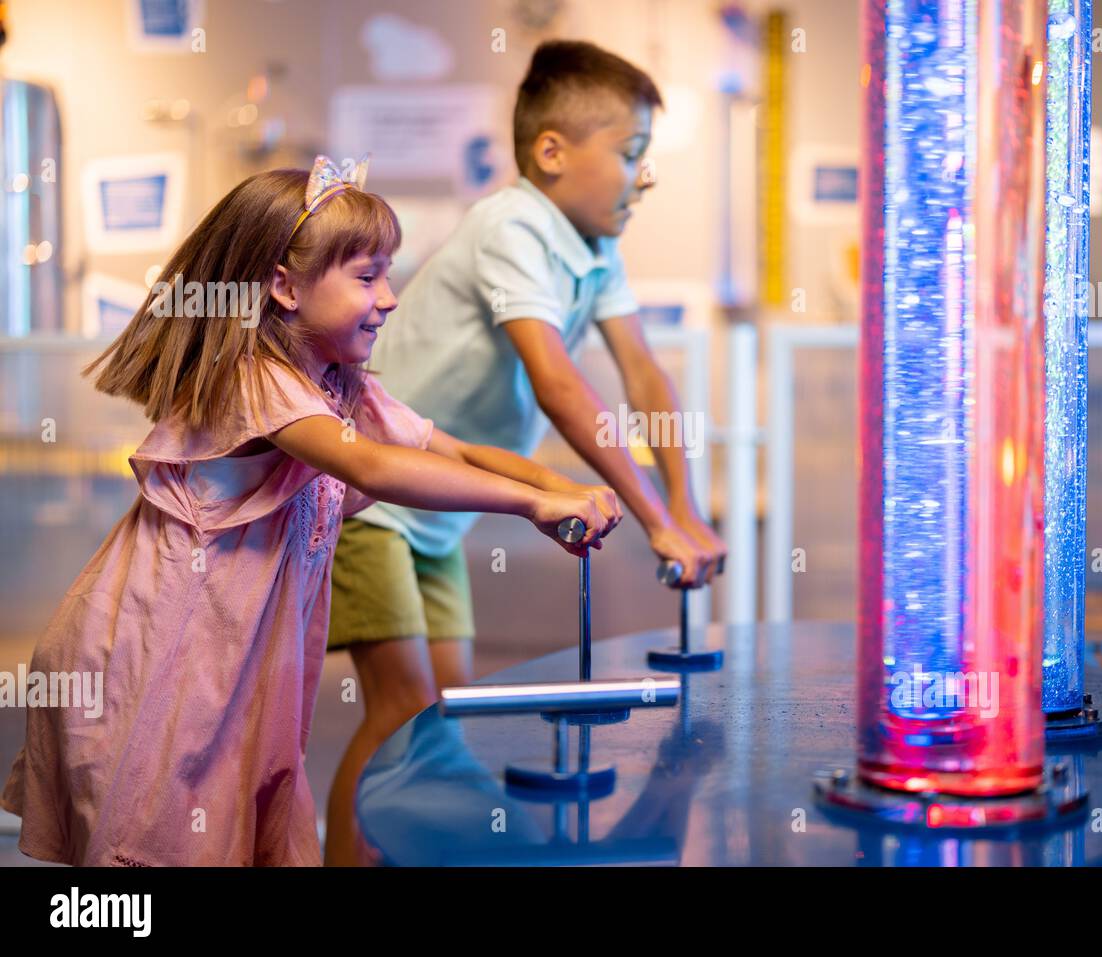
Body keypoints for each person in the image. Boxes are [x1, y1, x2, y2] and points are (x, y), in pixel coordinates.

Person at [0, 157, 618, 867]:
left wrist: (559, 484)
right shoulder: (255, 379)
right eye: (366, 276)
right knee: (159, 839)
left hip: (241, 658)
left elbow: (452, 449)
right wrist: (534, 503)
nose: (389, 297)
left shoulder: (341, 385)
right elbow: (372, 465)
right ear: (284, 287)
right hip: (164, 650)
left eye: (388, 272)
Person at [325, 40, 727, 865]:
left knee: (438, 720)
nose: (643, 177)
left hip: (438, 512)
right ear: (552, 152)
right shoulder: (512, 223)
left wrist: (684, 505)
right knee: (403, 712)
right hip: (374, 495)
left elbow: (644, 373)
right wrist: (655, 522)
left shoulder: (594, 247)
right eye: (630, 154)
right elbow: (560, 384)